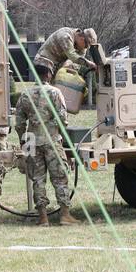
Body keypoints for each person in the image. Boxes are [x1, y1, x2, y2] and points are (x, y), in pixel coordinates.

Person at [14, 62, 81, 226]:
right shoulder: (55, 92)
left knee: (37, 179)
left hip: (32, 141)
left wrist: (23, 139)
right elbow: (63, 119)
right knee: (60, 177)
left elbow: (19, 123)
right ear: (48, 75)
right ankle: (65, 215)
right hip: (51, 140)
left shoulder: (25, 94)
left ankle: (43, 217)